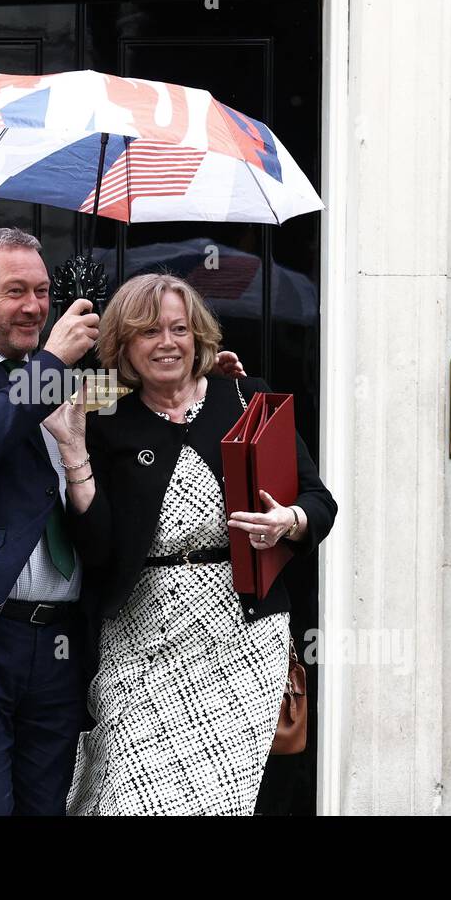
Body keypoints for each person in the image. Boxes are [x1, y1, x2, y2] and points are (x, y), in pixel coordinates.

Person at [0, 229, 244, 815]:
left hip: (59, 639)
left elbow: (143, 403)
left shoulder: (57, 375)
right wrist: (53, 360)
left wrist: (200, 378)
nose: (35, 305)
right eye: (15, 291)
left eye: (41, 290)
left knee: (50, 807)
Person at [48, 272, 337, 815]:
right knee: (129, 798)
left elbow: (320, 501)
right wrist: (75, 456)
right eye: (148, 332)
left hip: (243, 640)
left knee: (219, 803)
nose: (167, 343)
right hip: (140, 640)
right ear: (124, 345)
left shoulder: (246, 397)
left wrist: (290, 520)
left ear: (199, 334)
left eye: (180, 329)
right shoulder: (106, 413)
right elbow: (97, 549)